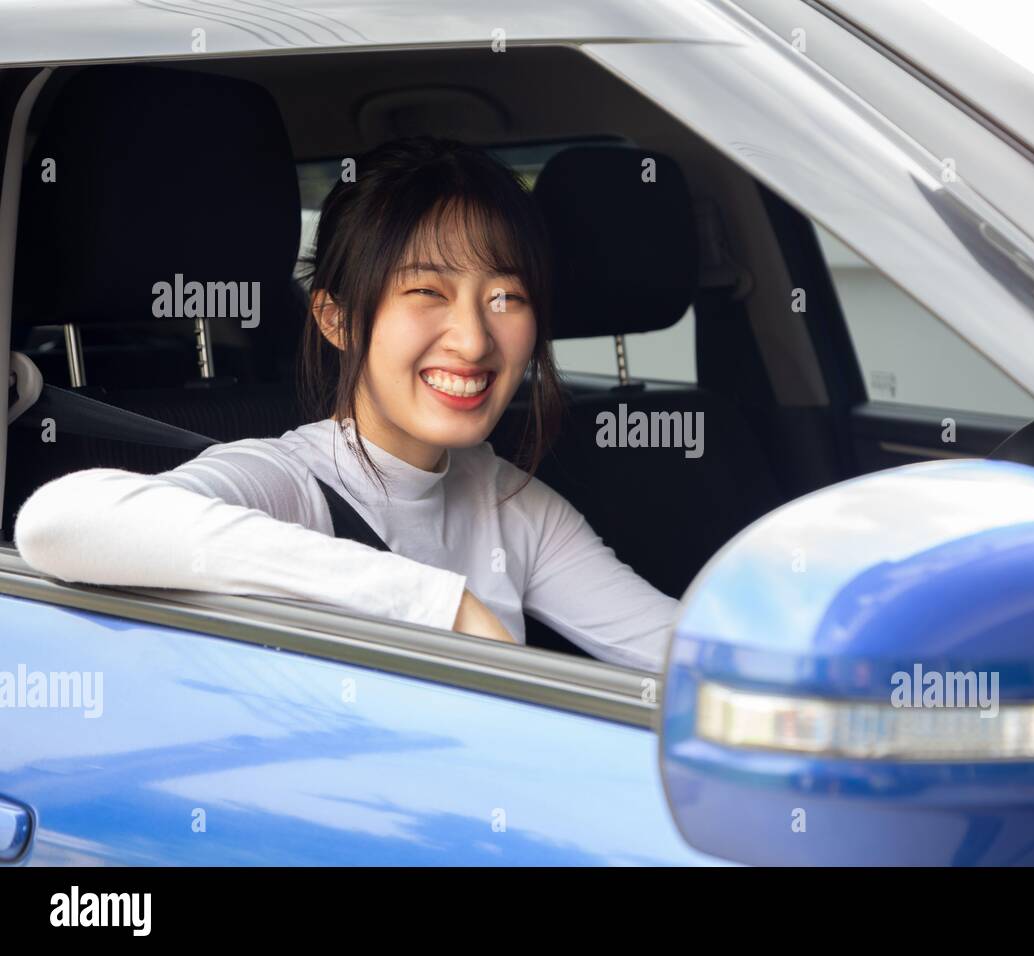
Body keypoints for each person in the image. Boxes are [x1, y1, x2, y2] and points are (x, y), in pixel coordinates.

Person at [14, 137, 677, 672]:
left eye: (508, 297)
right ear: (337, 319)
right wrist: (437, 605)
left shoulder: (510, 502)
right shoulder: (291, 480)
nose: (475, 339)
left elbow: (680, 653)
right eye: (427, 292)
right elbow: (60, 522)